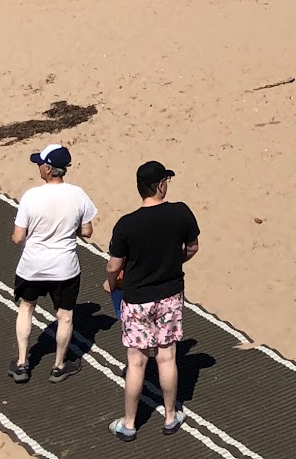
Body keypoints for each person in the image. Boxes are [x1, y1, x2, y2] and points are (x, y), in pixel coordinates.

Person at [105, 161, 199, 440]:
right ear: (160, 185)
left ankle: (129, 423)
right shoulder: (180, 213)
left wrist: (112, 283)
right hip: (169, 295)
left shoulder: (126, 224)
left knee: (136, 362)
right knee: (167, 357)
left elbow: (113, 265)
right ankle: (170, 416)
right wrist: (172, 263)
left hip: (137, 299)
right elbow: (192, 247)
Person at [10, 144, 97, 383]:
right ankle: (59, 365)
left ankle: (22, 363)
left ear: (48, 169)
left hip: (32, 267)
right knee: (65, 316)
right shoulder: (78, 194)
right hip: (64, 268)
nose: (38, 167)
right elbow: (87, 231)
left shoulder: (31, 196)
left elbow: (18, 237)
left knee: (26, 308)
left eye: (40, 164)